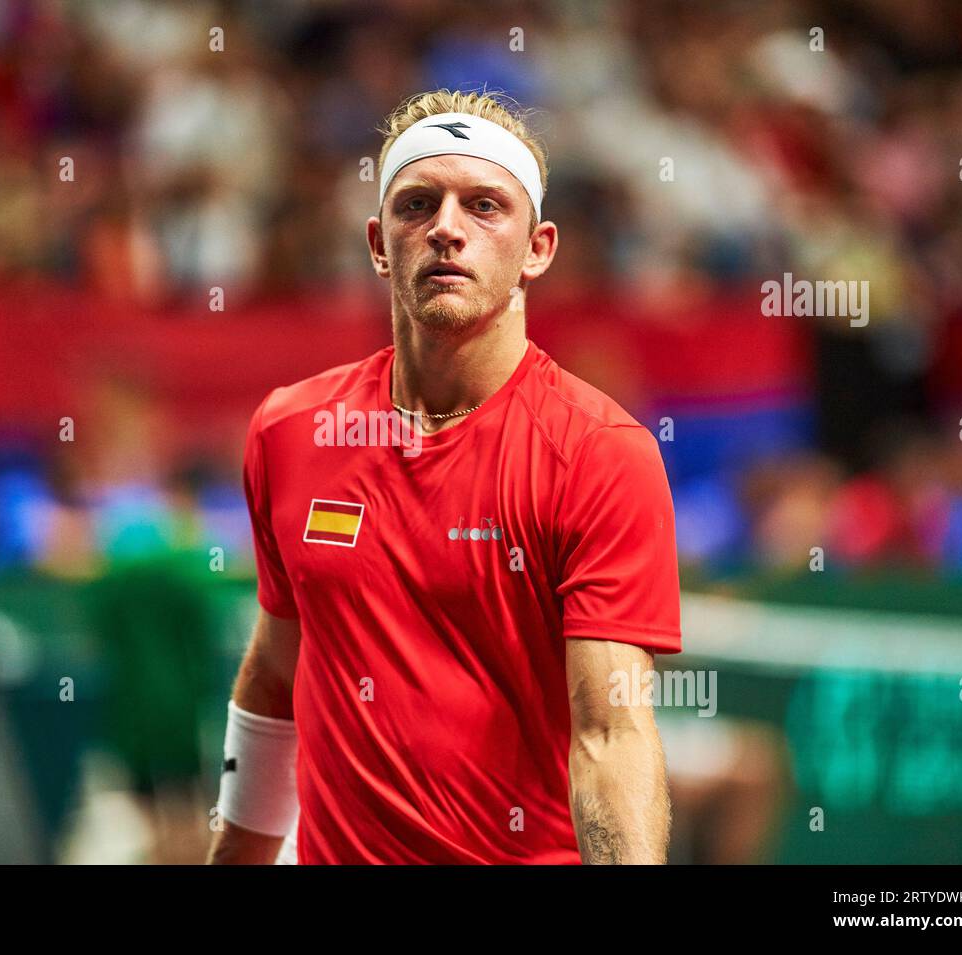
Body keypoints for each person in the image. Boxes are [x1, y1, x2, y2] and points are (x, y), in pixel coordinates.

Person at [207, 90, 681, 864]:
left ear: (538, 247)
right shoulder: (290, 429)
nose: (447, 229)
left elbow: (609, 733)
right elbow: (272, 678)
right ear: (379, 243)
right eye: (419, 204)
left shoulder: (601, 453)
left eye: (485, 206)